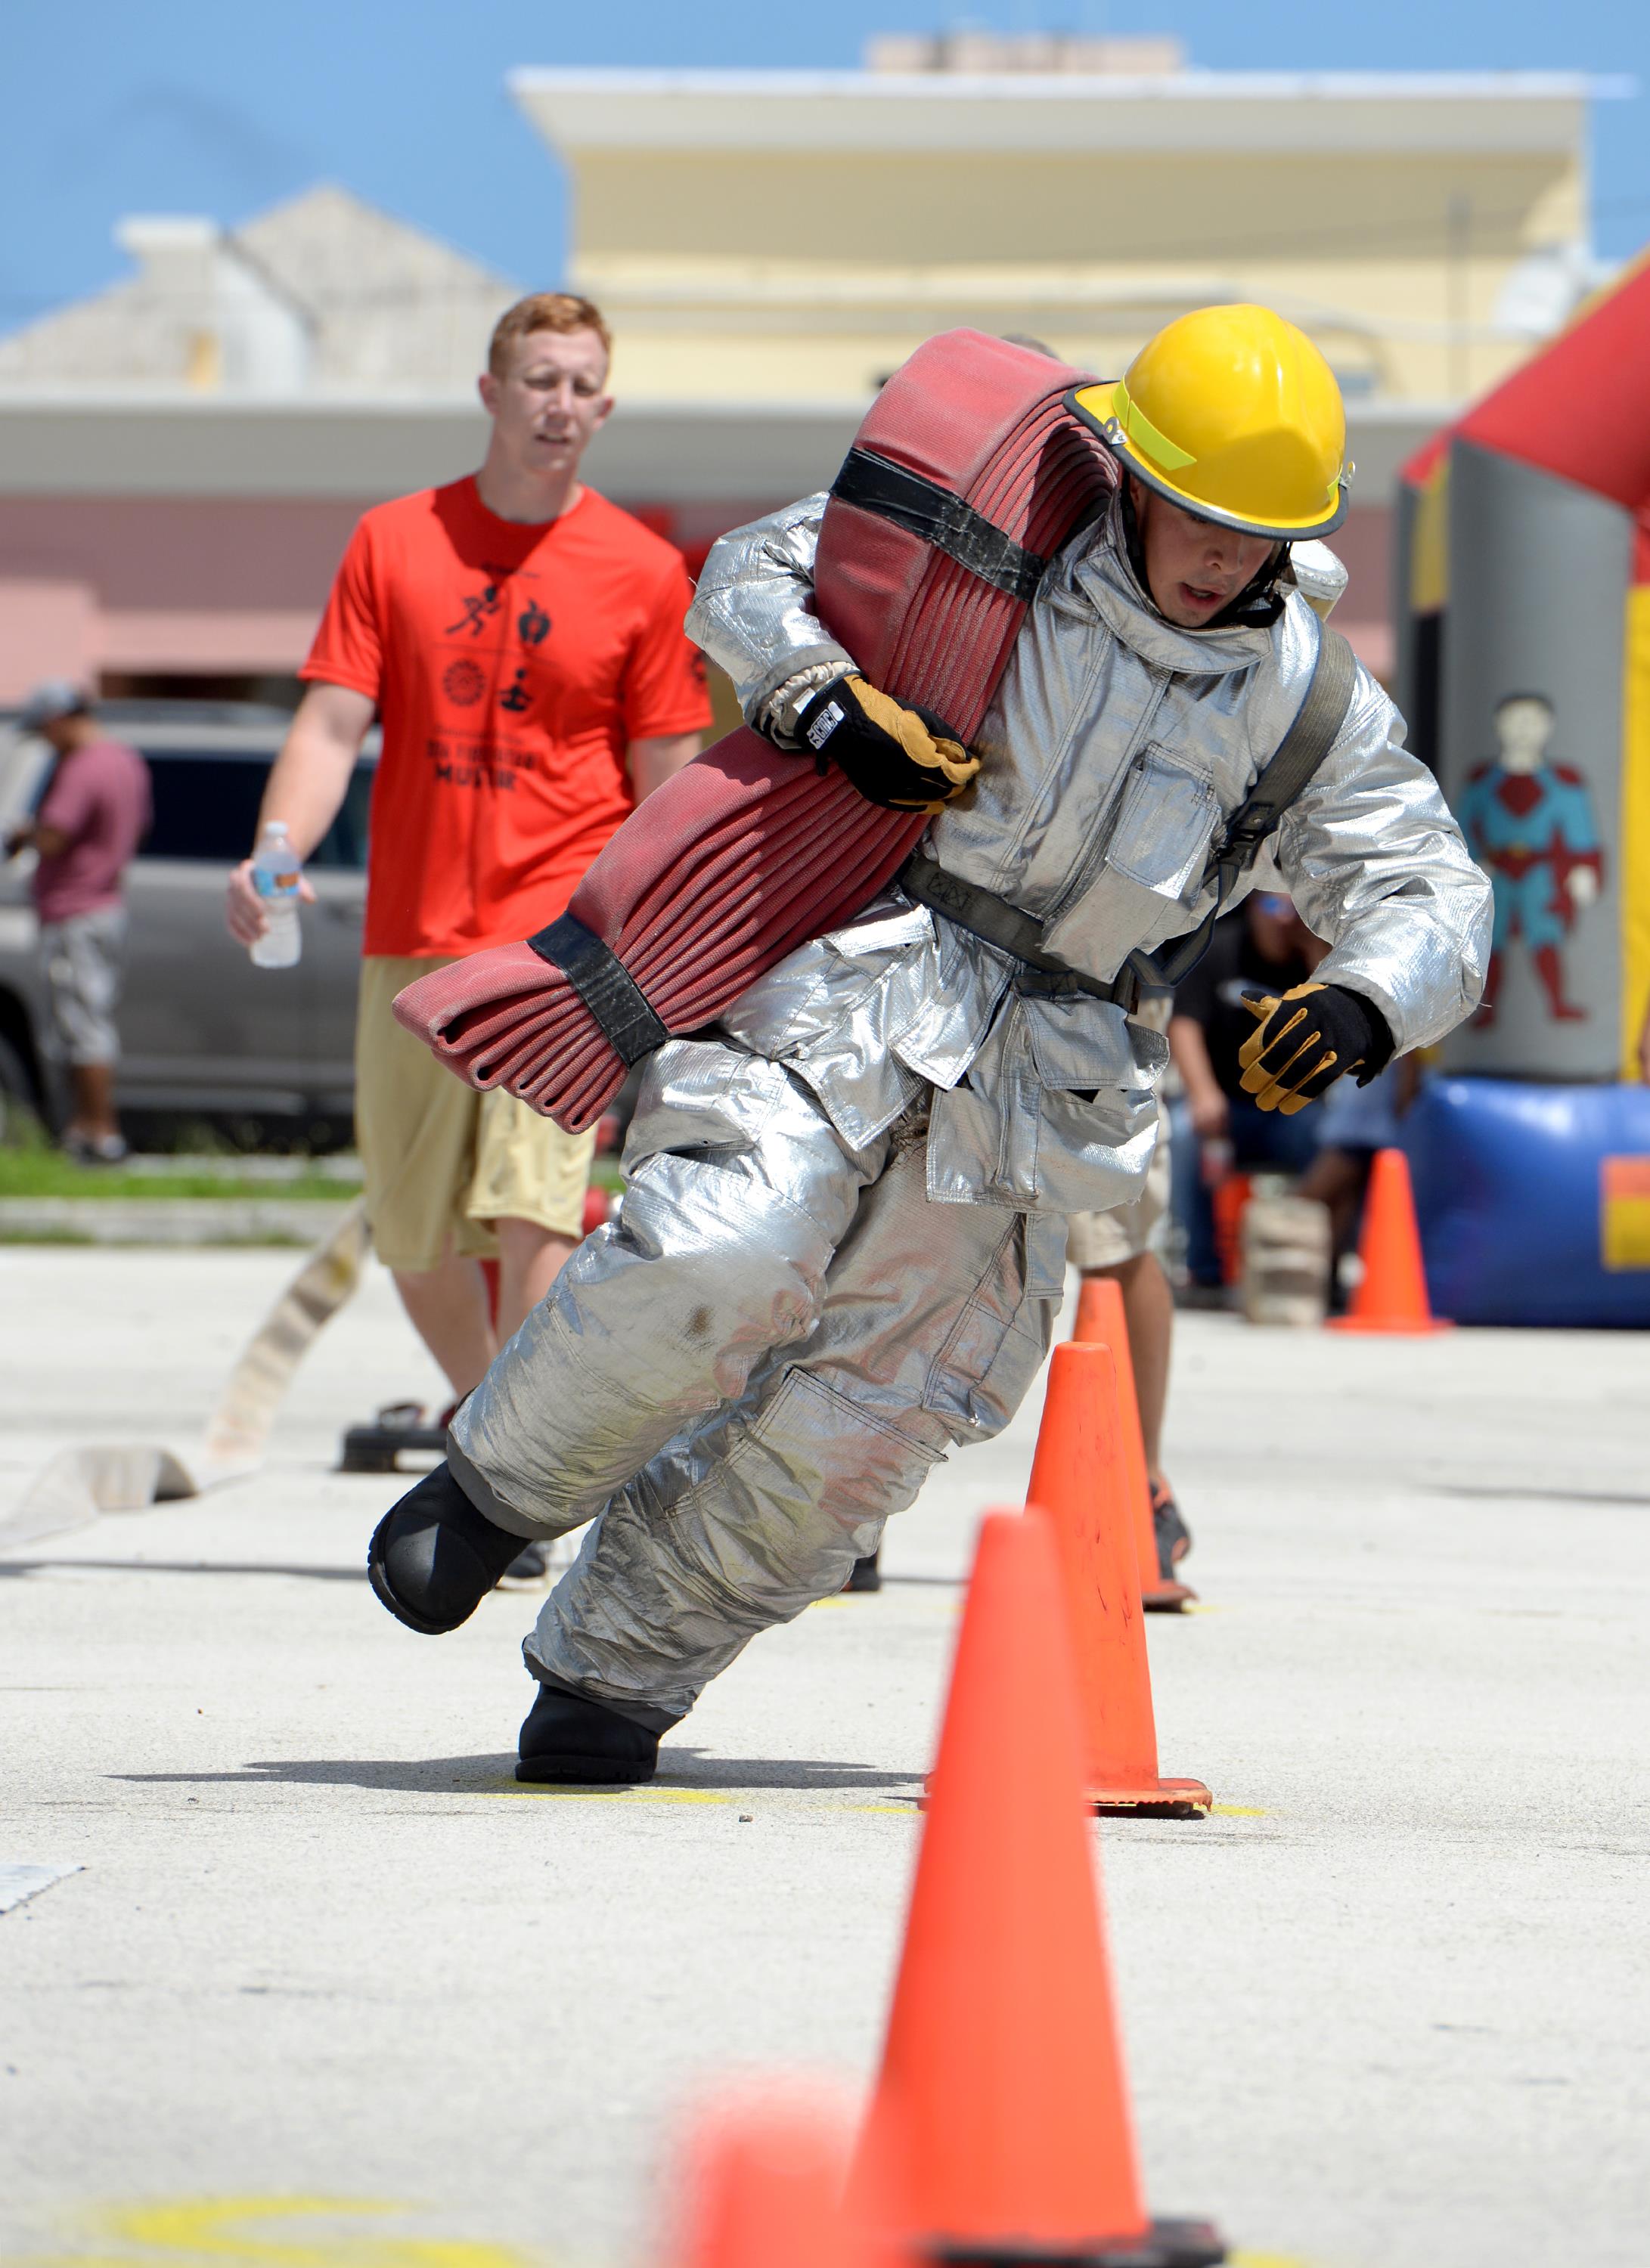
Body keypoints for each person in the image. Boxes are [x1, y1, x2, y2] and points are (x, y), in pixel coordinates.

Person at [365, 304, 1492, 1784]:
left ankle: (611, 1676)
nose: (1222, 554)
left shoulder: (1304, 698)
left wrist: (1360, 1002)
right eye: (1198, 514)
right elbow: (758, 571)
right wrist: (826, 703)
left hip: (1051, 1090)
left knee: (860, 1426)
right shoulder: (992, 537)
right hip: (855, 979)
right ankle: (500, 1487)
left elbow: (1429, 887)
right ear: (1130, 474)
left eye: (1256, 532)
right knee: (717, 1247)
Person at [225, 291, 709, 1581]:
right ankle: (516, 1437)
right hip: (411, 938)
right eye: (540, 379)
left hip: (561, 947)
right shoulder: (395, 541)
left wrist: (669, 948)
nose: (561, 405)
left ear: (604, 409)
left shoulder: (644, 572)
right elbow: (330, 728)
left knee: (532, 1212)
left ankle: (514, 1480)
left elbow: (670, 778)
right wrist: (276, 849)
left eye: (583, 386)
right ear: (491, 393)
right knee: (412, 1233)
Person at [4, 680, 150, 1162]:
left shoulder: (83, 767)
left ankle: (98, 1136)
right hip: (107, 905)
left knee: (81, 1026)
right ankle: (86, 1130)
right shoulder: (125, 761)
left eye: (46, 731)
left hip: (75, 909)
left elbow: (55, 835)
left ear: (61, 719)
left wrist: (26, 835)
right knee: (88, 1018)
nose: (46, 742)